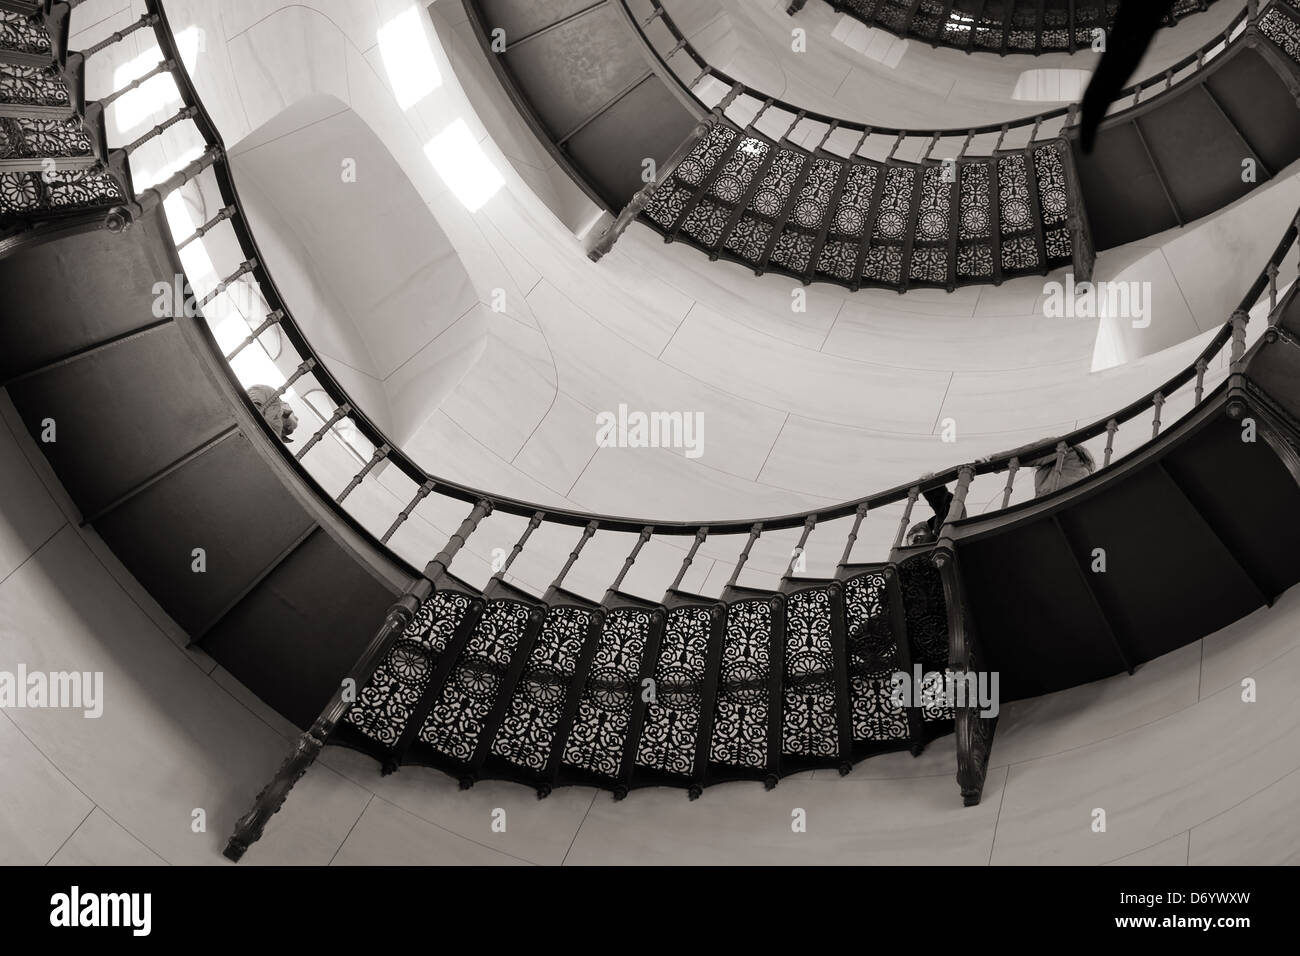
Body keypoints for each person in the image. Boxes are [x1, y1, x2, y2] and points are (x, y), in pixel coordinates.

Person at [903, 438, 1096, 546]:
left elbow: (1031, 451)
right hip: (1072, 509)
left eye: (917, 540)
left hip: (1056, 505)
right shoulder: (1081, 469)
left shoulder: (1064, 451)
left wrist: (994, 460)